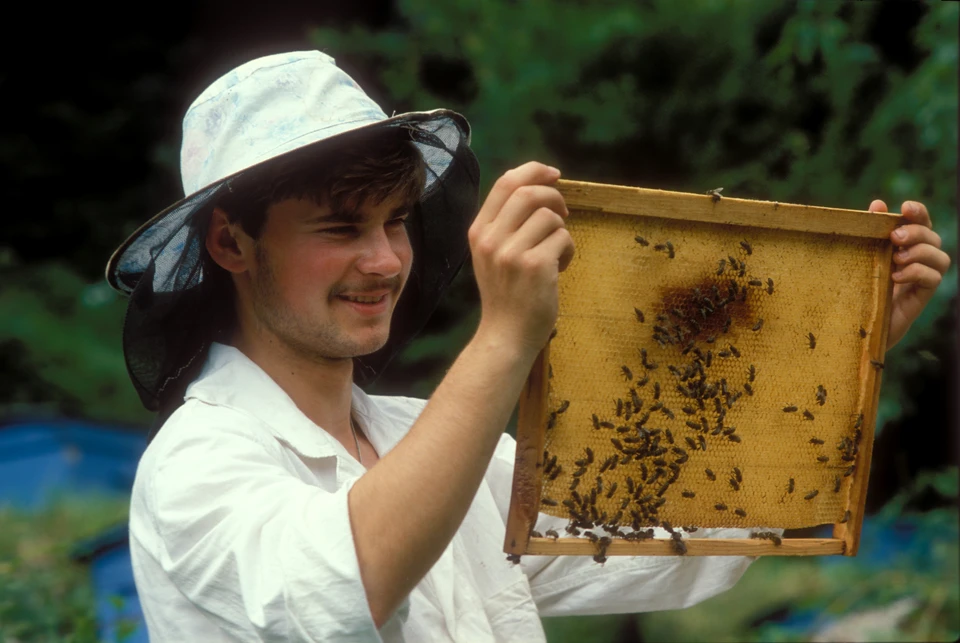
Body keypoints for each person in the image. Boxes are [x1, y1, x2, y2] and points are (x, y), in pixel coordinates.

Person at [107, 51, 950, 642]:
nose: (384, 260)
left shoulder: (417, 434)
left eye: (396, 221)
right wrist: (508, 334)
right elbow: (341, 588)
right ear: (230, 243)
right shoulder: (197, 463)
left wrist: (846, 352)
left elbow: (687, 530)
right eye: (339, 228)